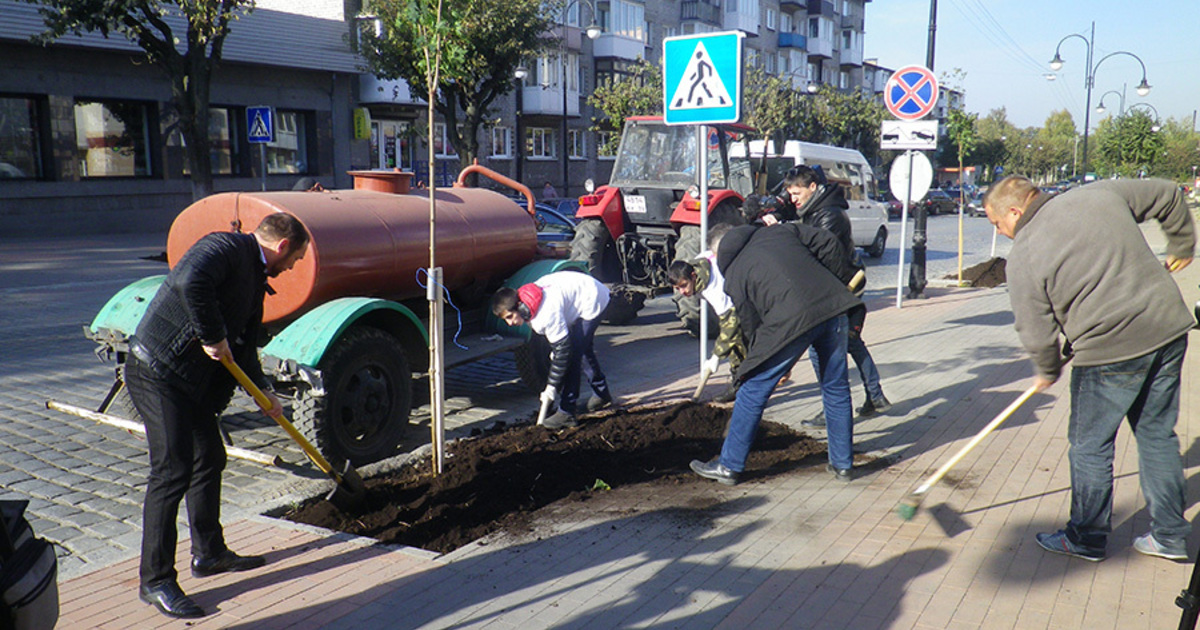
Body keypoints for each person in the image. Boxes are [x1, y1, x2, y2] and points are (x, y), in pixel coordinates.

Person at [984, 176, 1195, 562]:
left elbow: (1034, 327)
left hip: (1109, 351)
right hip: (1166, 328)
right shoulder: (1099, 193)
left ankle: (1086, 536)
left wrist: (1047, 367)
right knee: (1156, 435)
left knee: (1090, 446)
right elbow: (1167, 194)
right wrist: (1183, 244)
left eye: (997, 223)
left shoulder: (1025, 253)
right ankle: (1170, 536)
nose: (1000, 232)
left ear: (1015, 211)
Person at [124, 212, 309, 618]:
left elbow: (242, 347)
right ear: (282, 247)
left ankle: (209, 553)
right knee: (172, 470)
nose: (292, 267)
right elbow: (191, 282)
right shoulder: (223, 246)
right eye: (294, 259)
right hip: (157, 371)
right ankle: (155, 580)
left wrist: (264, 394)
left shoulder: (254, 278)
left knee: (210, 456)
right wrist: (211, 334)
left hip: (190, 385)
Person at [689, 221, 862, 485]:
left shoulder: (733, 273)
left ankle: (728, 466)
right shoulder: (781, 231)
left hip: (791, 322)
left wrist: (759, 361)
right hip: (834, 308)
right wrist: (838, 279)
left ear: (718, 251)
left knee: (751, 389)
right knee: (836, 387)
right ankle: (843, 465)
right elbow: (828, 242)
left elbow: (750, 326)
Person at [774, 166, 892, 425]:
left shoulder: (829, 216)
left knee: (823, 348)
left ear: (812, 188)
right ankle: (875, 395)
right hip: (845, 281)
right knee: (850, 341)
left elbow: (819, 254)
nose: (793, 199)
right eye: (790, 194)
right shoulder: (817, 209)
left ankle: (834, 408)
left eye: (797, 193)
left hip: (841, 285)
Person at [492, 271, 614, 429]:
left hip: (593, 298)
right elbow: (558, 346)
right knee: (582, 349)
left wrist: (551, 387)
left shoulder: (546, 313)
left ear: (520, 306)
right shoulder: (529, 303)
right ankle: (601, 394)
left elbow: (564, 353)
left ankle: (567, 412)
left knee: (573, 357)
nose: (509, 323)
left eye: (509, 317)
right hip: (576, 294)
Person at [666, 224, 745, 402]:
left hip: (745, 295)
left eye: (684, 285)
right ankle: (738, 386)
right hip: (733, 292)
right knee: (734, 345)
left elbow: (730, 325)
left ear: (693, 276)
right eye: (677, 288)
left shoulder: (714, 290)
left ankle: (743, 388)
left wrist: (716, 356)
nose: (682, 292)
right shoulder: (697, 263)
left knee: (739, 343)